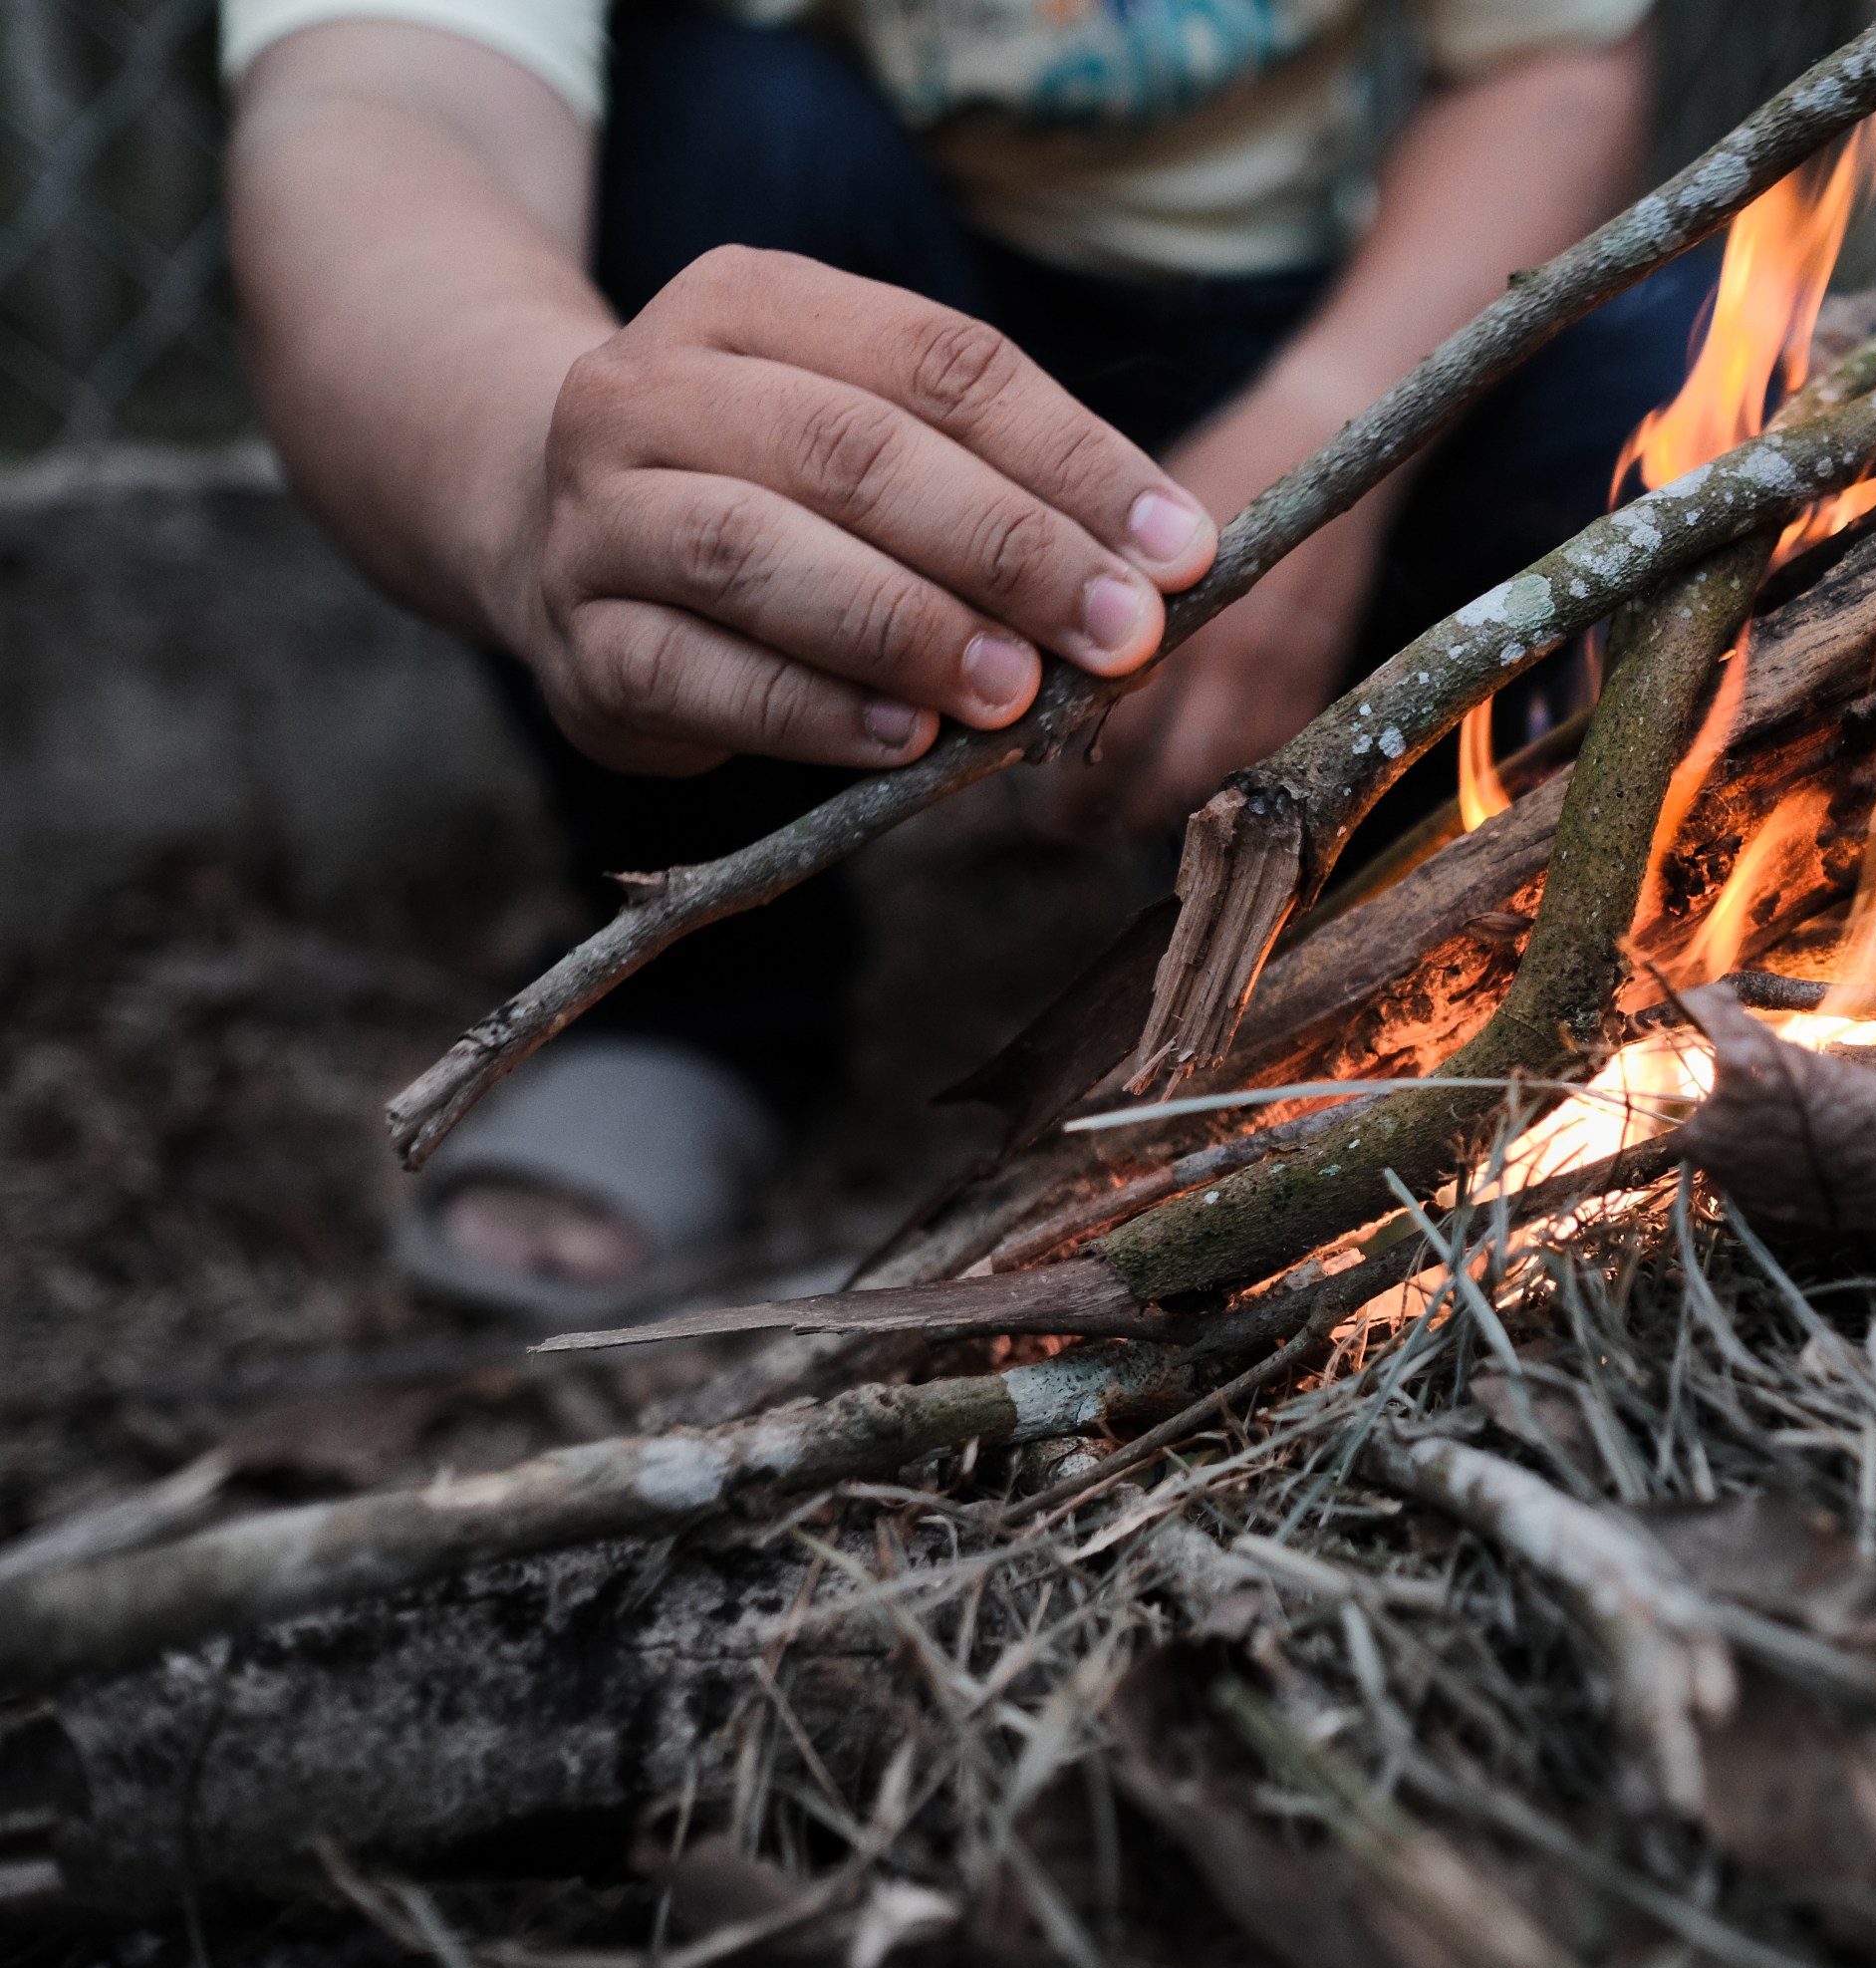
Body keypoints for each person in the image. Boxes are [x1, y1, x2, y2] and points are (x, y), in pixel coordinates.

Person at [221, 0, 1714, 1314]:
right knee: (714, 120)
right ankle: (703, 998)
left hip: (1306, 309)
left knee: (1677, 371)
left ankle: (1405, 940)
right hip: (837, 270)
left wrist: (1338, 430)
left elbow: (1556, 62)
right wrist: (542, 491)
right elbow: (385, 98)